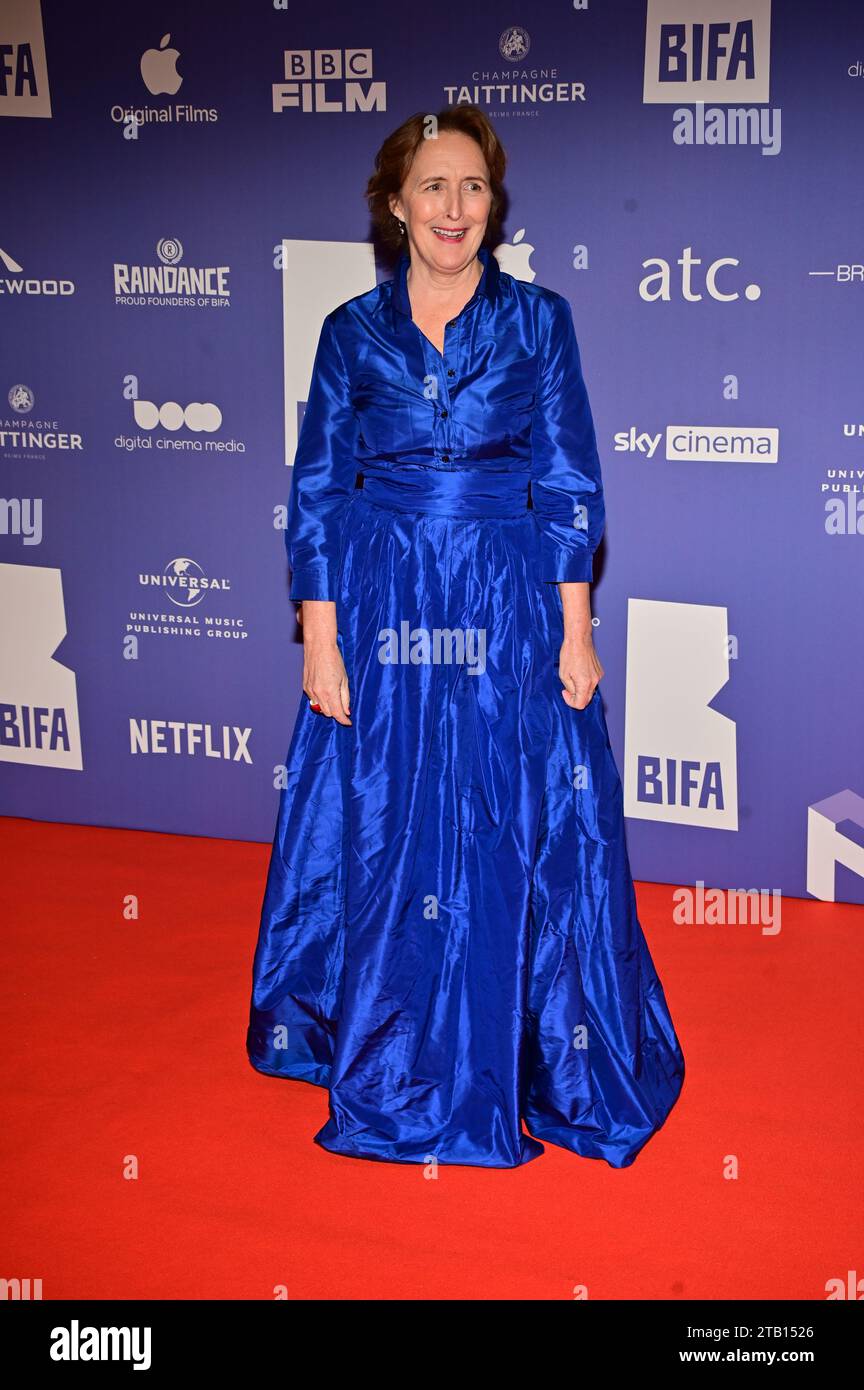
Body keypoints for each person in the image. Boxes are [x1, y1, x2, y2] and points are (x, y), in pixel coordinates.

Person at [246, 105, 685, 1168]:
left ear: (495, 204)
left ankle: (532, 1050)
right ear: (394, 205)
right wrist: (319, 636)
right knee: (395, 821)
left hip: (505, 600)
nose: (455, 208)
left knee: (508, 817)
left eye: (473, 187)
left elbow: (570, 482)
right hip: (385, 596)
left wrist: (577, 629)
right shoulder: (350, 332)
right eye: (432, 187)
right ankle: (395, 1050)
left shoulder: (540, 321)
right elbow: (316, 492)